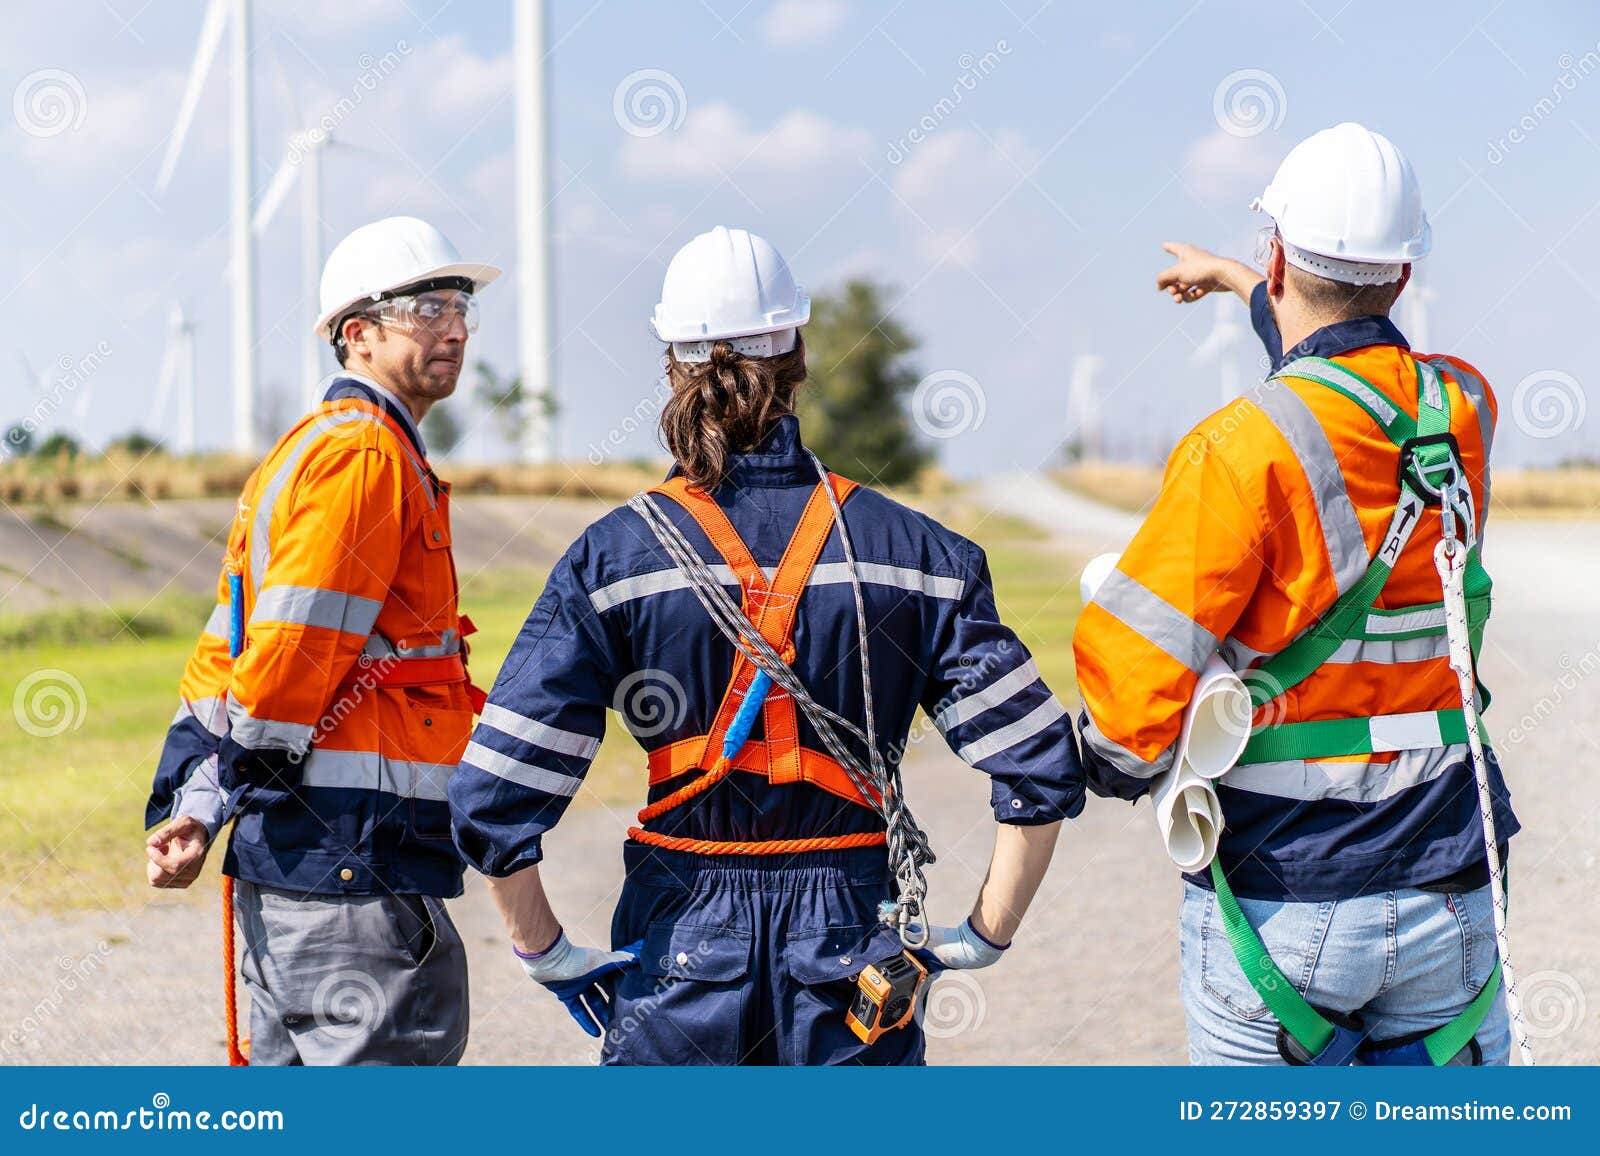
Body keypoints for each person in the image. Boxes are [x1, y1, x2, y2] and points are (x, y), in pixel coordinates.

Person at [449, 225, 1083, 1065]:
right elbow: (1039, 767)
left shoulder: (611, 562)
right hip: (853, 954)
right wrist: (980, 939)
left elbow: (491, 796)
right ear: (799, 356)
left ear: (671, 364)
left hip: (677, 956)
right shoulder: (920, 556)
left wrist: (546, 953)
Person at [1074, 124, 1518, 1065]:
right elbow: (1345, 364)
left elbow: (1129, 705)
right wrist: (1241, 281)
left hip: (1289, 897)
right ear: (1405, 277)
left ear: (1278, 256)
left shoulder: (1238, 449)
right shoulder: (1465, 411)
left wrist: (1111, 764)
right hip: (1453, 884)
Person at [143, 215, 498, 1066]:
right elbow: (290, 658)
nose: (452, 326)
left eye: (459, 307)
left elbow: (224, 654)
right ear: (359, 333)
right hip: (351, 866)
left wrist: (195, 798)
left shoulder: (306, 449)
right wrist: (217, 790)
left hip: (300, 865)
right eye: (426, 306)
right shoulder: (365, 457)